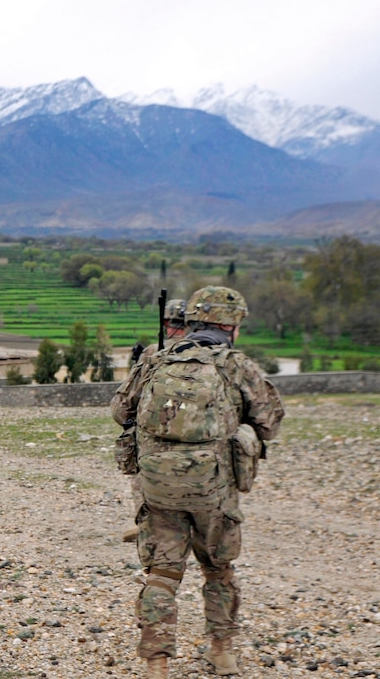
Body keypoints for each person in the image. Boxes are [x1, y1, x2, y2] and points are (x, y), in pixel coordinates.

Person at [111, 286, 284, 679]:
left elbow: (119, 409)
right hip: (214, 488)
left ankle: (157, 664)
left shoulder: (157, 359)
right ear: (230, 324)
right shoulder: (236, 365)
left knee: (163, 574)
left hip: (158, 488)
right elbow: (270, 423)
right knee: (218, 570)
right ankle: (222, 651)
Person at [121, 299, 188, 543]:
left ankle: (147, 523)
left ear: (165, 323)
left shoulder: (153, 352)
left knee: (140, 470)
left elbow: (124, 405)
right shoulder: (208, 353)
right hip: (201, 435)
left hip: (157, 434)